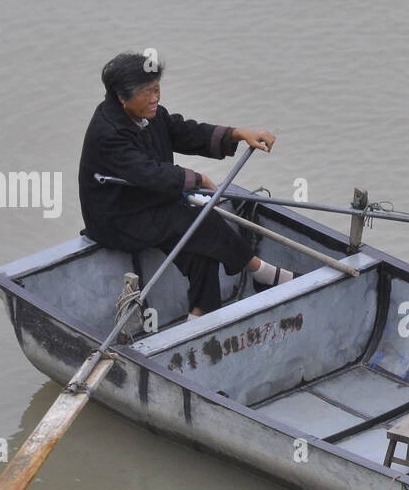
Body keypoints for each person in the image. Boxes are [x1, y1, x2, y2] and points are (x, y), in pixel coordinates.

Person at [77, 51, 293, 319]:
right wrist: (198, 179)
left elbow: (185, 132)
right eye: (147, 92)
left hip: (148, 204)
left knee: (201, 251)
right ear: (122, 98)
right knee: (202, 221)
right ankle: (262, 272)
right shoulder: (108, 134)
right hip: (118, 219)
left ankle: (200, 314)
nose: (155, 98)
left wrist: (238, 134)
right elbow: (149, 174)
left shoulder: (150, 113)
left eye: (157, 89)